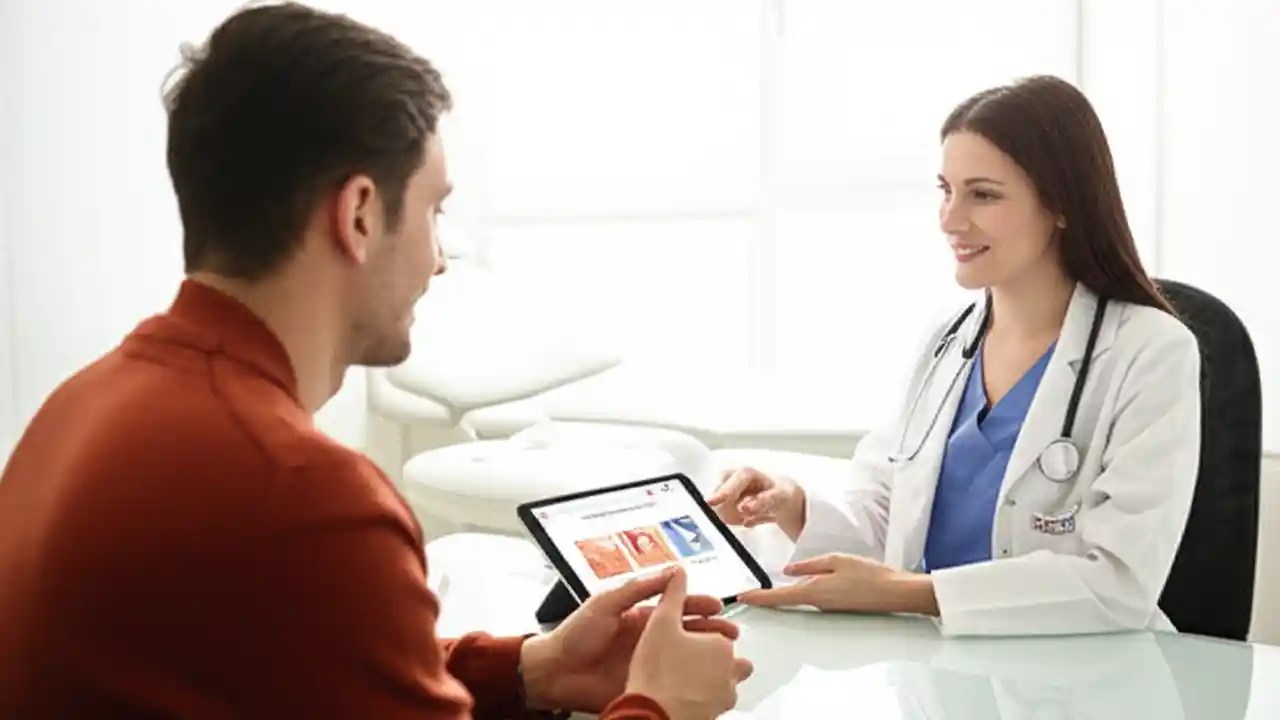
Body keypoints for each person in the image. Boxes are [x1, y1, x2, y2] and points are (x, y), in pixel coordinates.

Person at [0, 4, 751, 718]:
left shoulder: (78, 408)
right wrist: (659, 707)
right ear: (359, 215)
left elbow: (291, 665)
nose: (440, 258)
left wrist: (532, 670)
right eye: (434, 211)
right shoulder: (303, 494)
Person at [711, 75, 1201, 637]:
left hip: (1083, 681)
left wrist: (915, 594)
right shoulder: (946, 345)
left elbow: (1117, 586)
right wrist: (791, 505)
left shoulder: (1150, 352)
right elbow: (889, 523)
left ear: (1063, 204)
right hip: (936, 669)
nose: (949, 219)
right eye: (946, 189)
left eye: (983, 194)